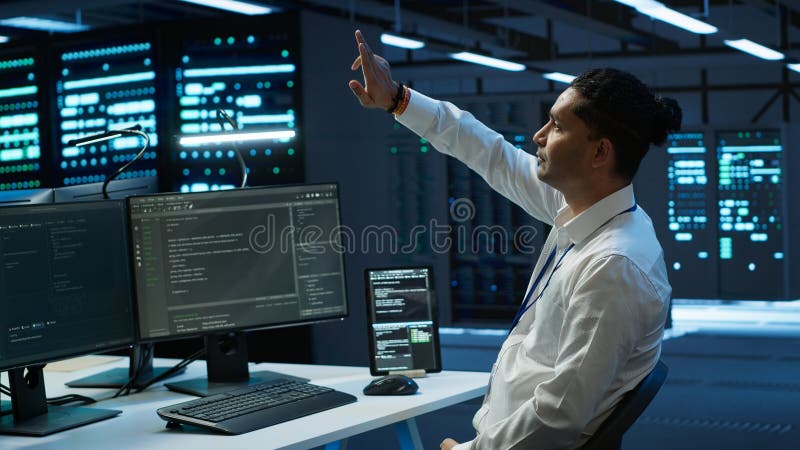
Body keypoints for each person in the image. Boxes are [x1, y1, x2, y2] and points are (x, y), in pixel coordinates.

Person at [348, 29, 680, 450]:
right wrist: (398, 99)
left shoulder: (614, 267)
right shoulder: (585, 210)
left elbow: (559, 416)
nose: (539, 136)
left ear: (600, 153)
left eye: (557, 126)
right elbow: (490, 153)